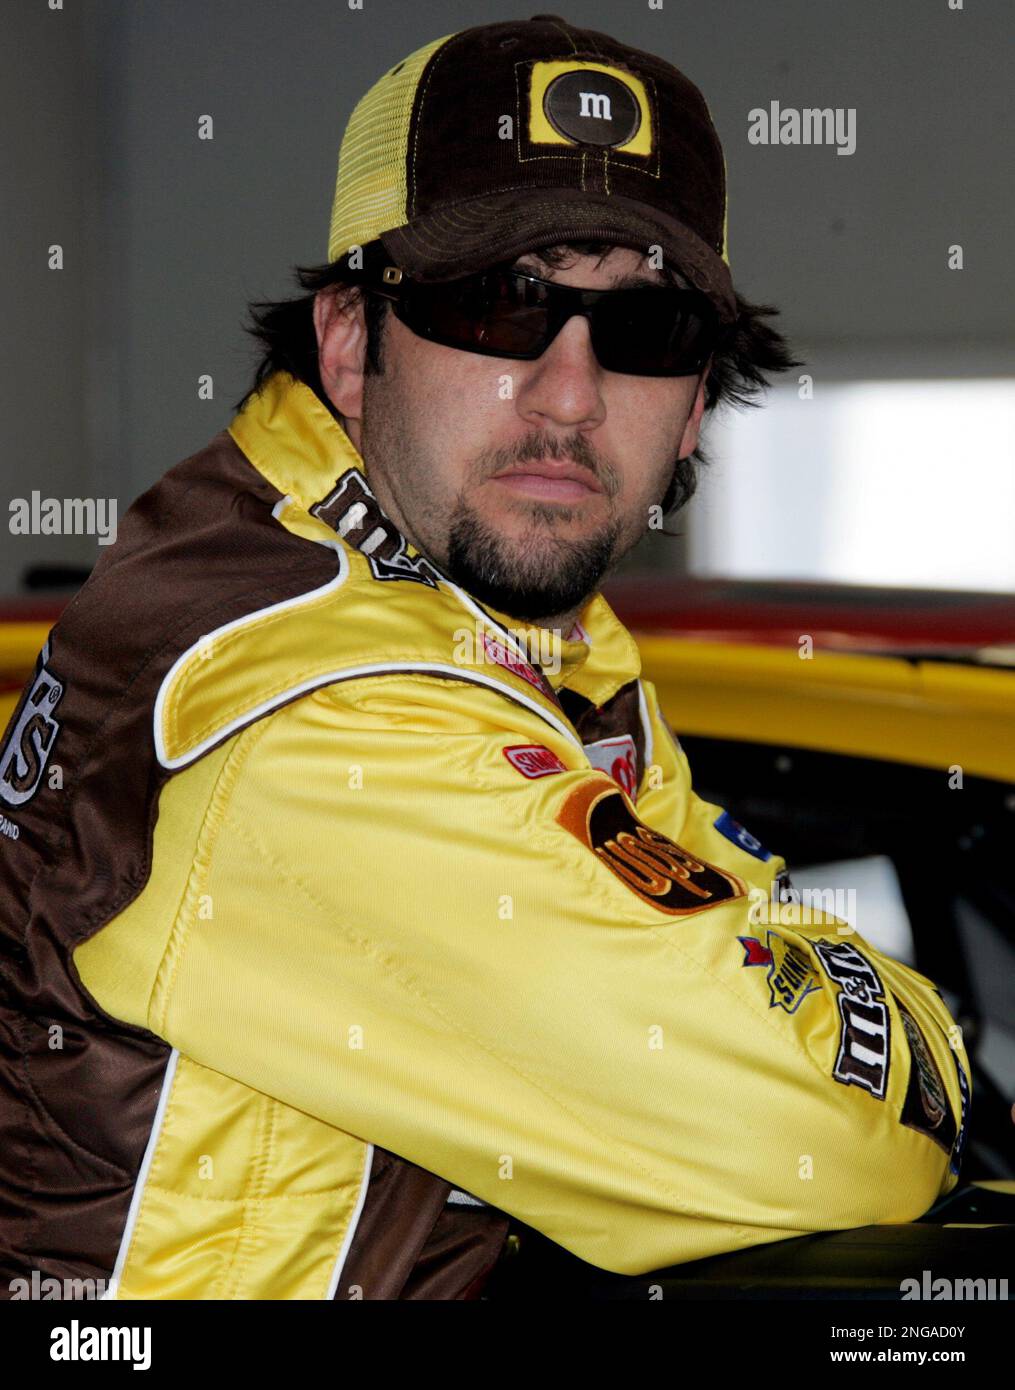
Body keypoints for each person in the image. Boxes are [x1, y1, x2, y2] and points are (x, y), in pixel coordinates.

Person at [0, 13, 969, 1302]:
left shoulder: (513, 624)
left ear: (693, 410)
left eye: (647, 331)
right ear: (350, 341)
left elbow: (748, 946)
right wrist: (915, 1031)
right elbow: (837, 1150)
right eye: (502, 305)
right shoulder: (326, 714)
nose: (570, 395)